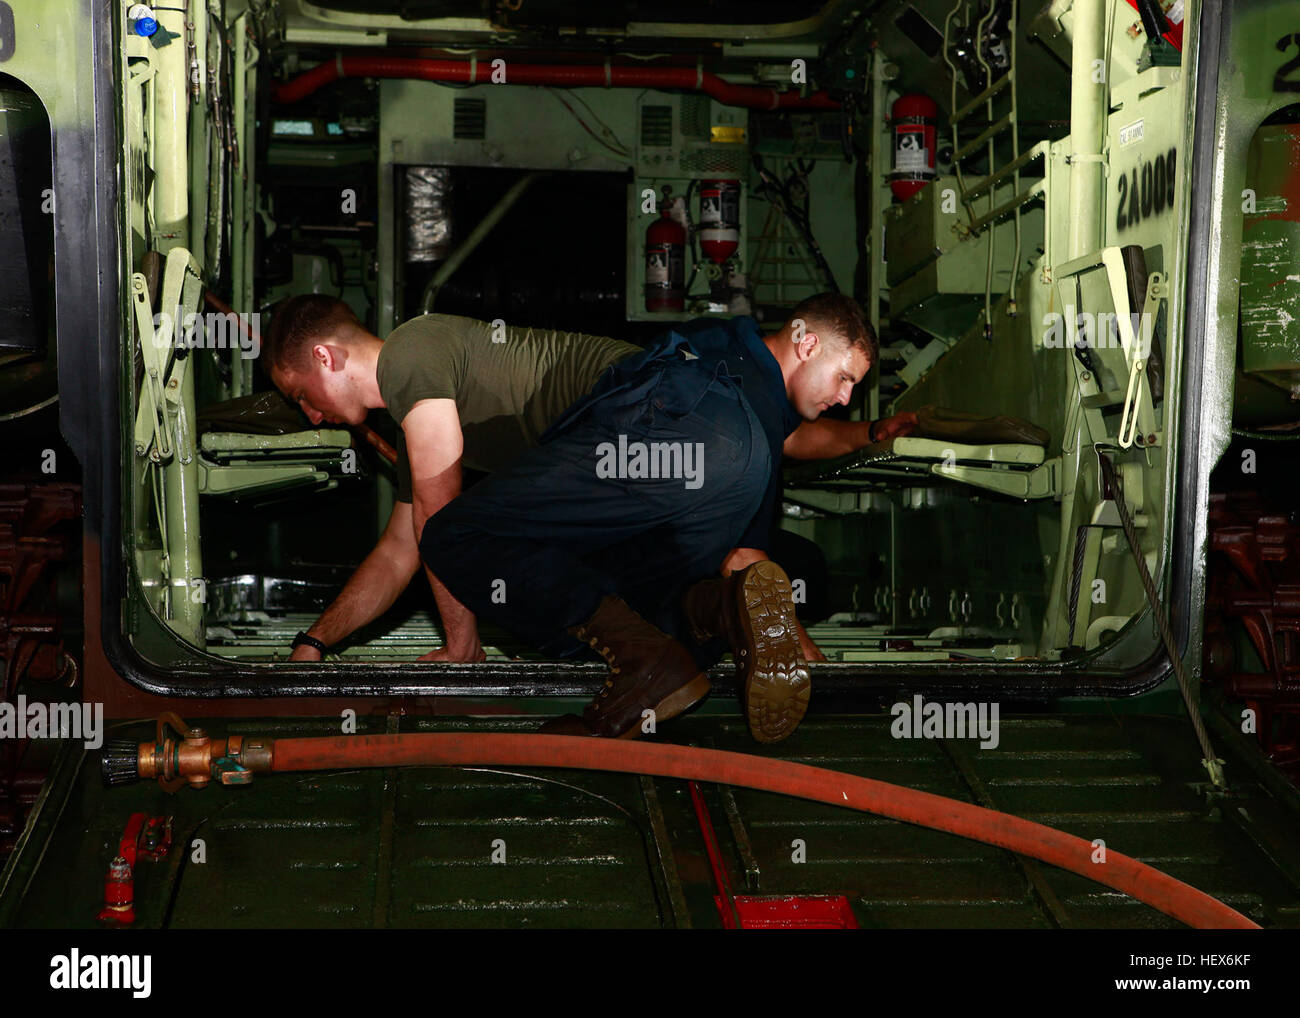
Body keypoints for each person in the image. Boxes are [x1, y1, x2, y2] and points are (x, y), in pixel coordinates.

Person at [262, 294, 915, 679]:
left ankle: (665, 650)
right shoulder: (418, 422)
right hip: (675, 451)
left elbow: (438, 519)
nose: (310, 414)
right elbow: (399, 550)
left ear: (325, 357)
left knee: (470, 542)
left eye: (300, 395)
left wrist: (463, 647)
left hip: (643, 419)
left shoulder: (410, 354)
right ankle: (716, 623)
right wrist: (315, 643)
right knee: (643, 600)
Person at [419, 293, 907, 743]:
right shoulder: (754, 415)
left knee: (454, 532)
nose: (845, 397)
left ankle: (680, 638)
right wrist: (812, 665)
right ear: (808, 344)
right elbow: (745, 552)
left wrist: (870, 432)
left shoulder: (731, 345)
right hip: (707, 450)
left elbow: (788, 438)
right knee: (501, 550)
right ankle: (707, 618)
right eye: (844, 378)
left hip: (677, 438)